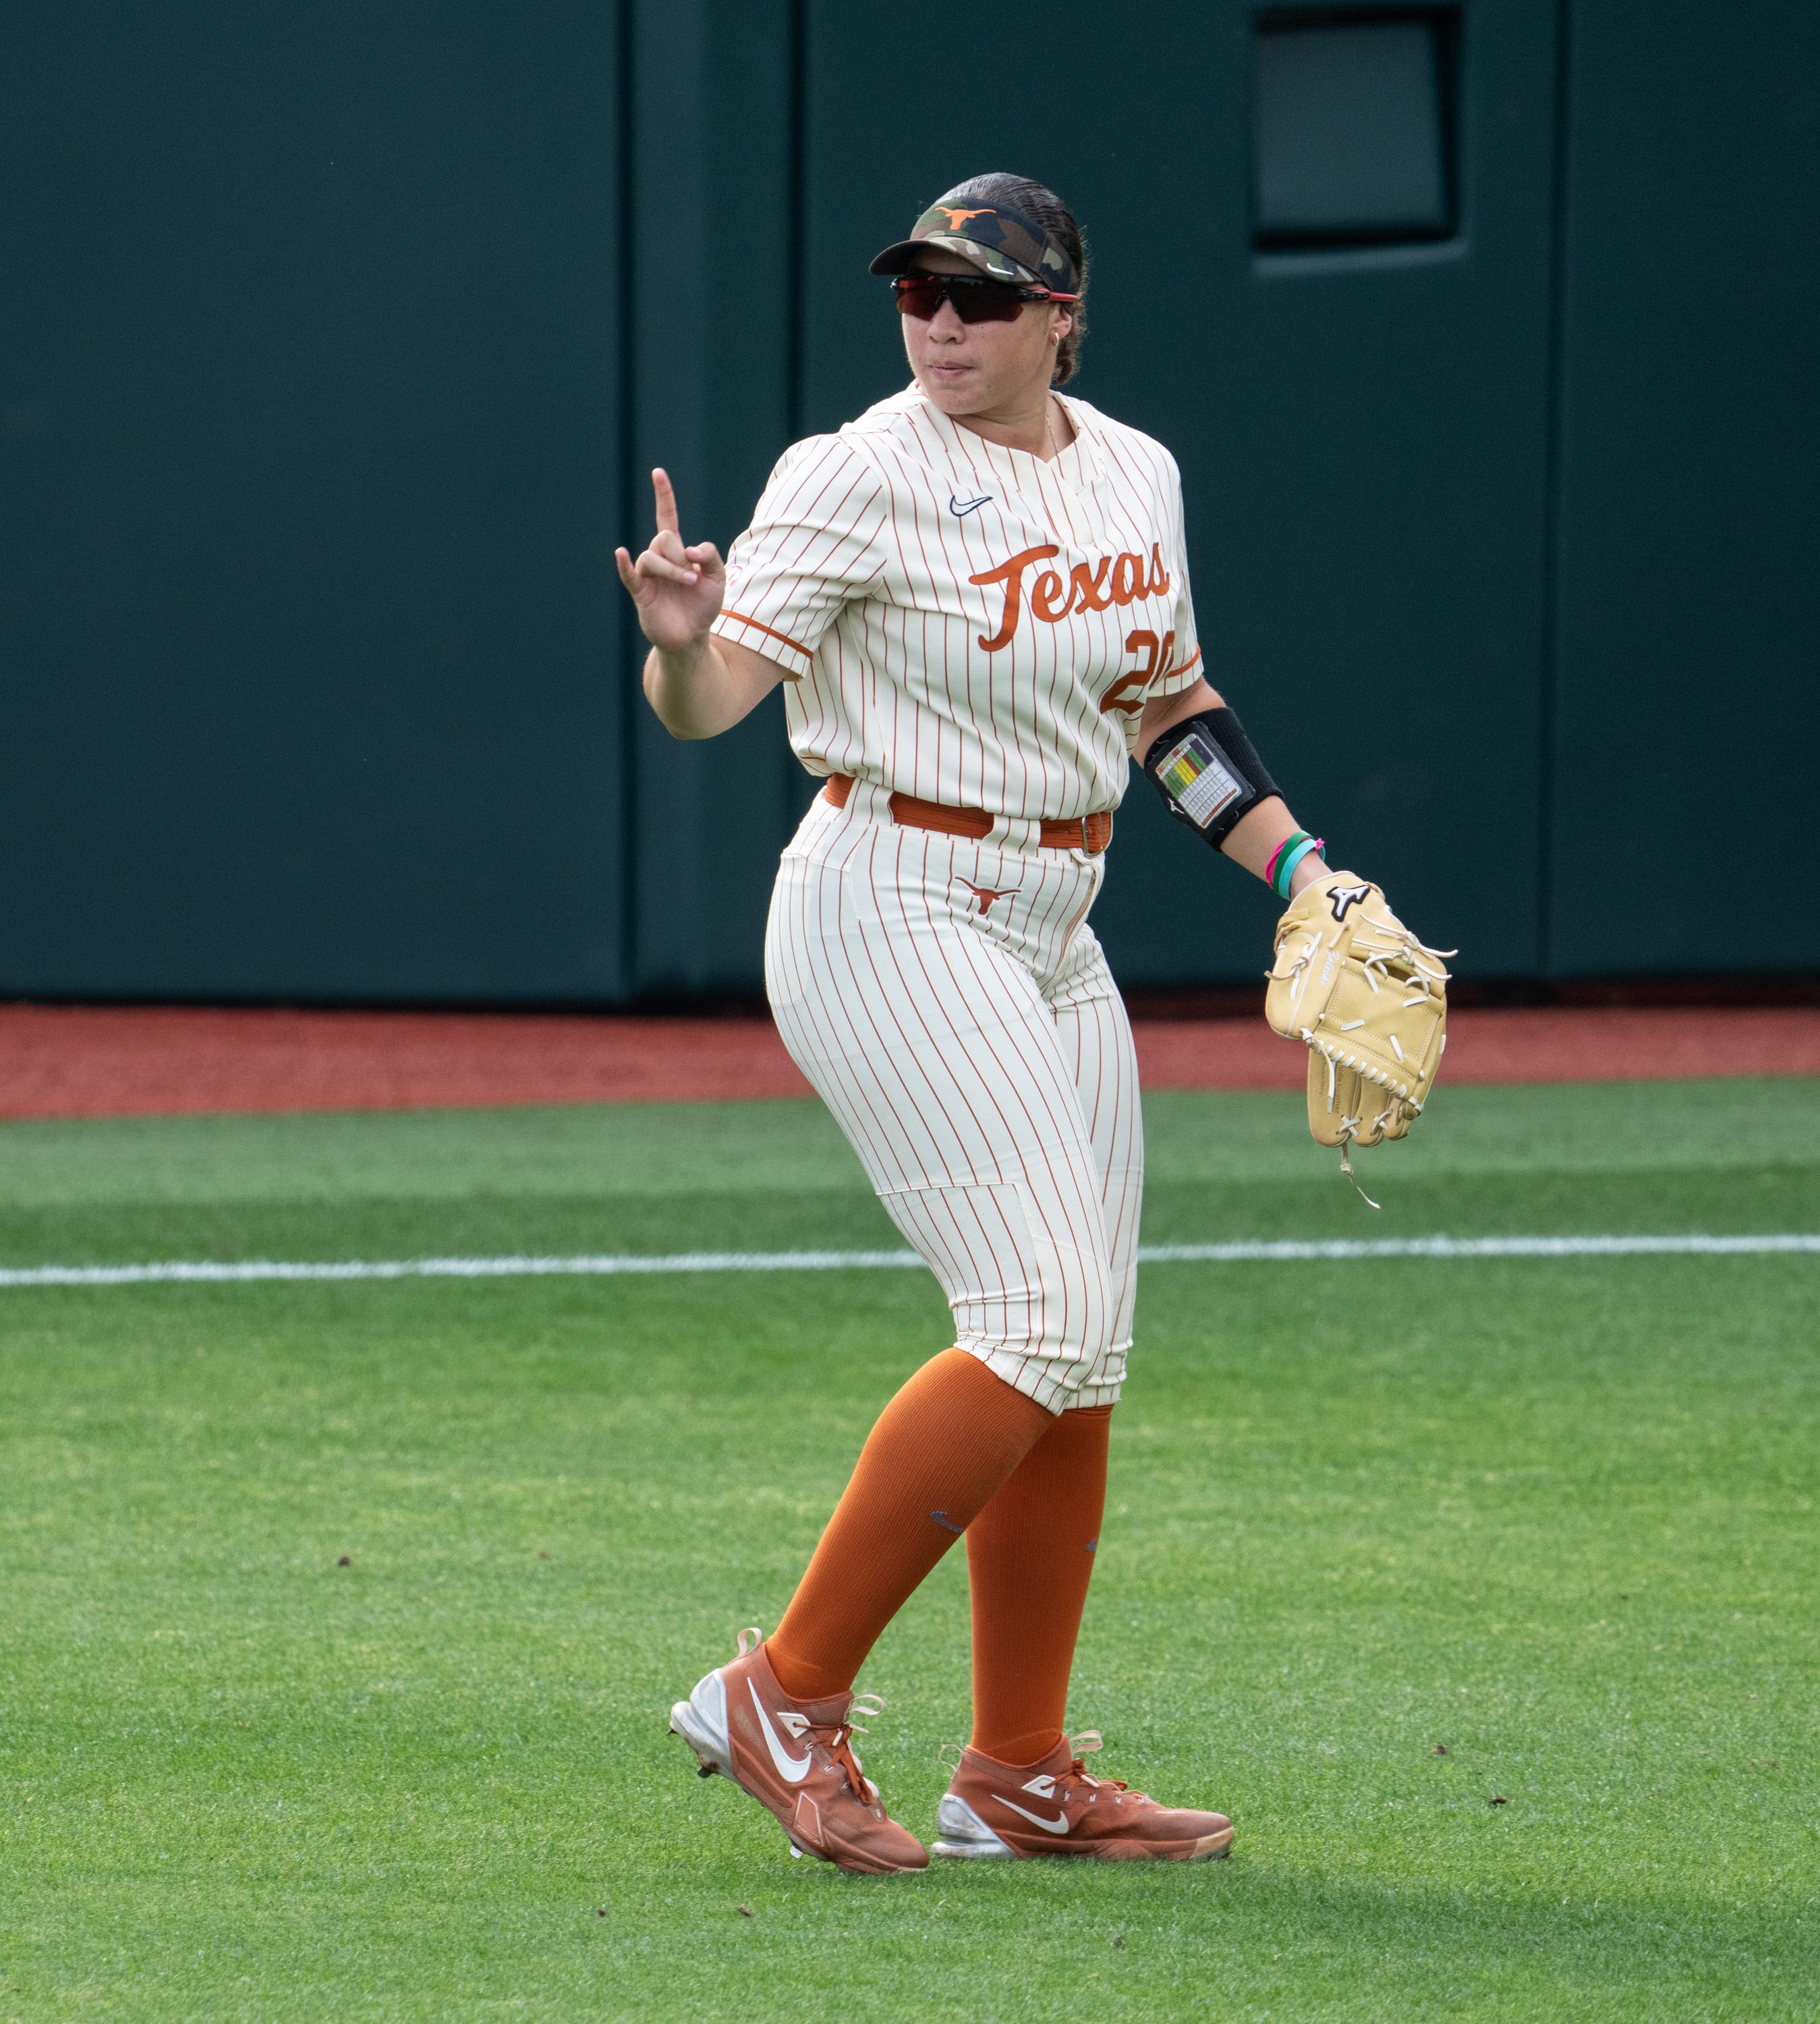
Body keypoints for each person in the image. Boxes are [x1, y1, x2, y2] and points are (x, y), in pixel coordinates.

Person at [617, 173, 1336, 1875]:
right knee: (1032, 1311)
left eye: (982, 295)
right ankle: (779, 1693)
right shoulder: (854, 471)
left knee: (1076, 1361)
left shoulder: (1134, 470)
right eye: (918, 291)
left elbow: (1168, 709)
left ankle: (1014, 1769)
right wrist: (675, 643)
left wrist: (1299, 871)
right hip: (890, 894)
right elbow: (715, 699)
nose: (942, 319)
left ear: (1061, 317)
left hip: (1051, 918)